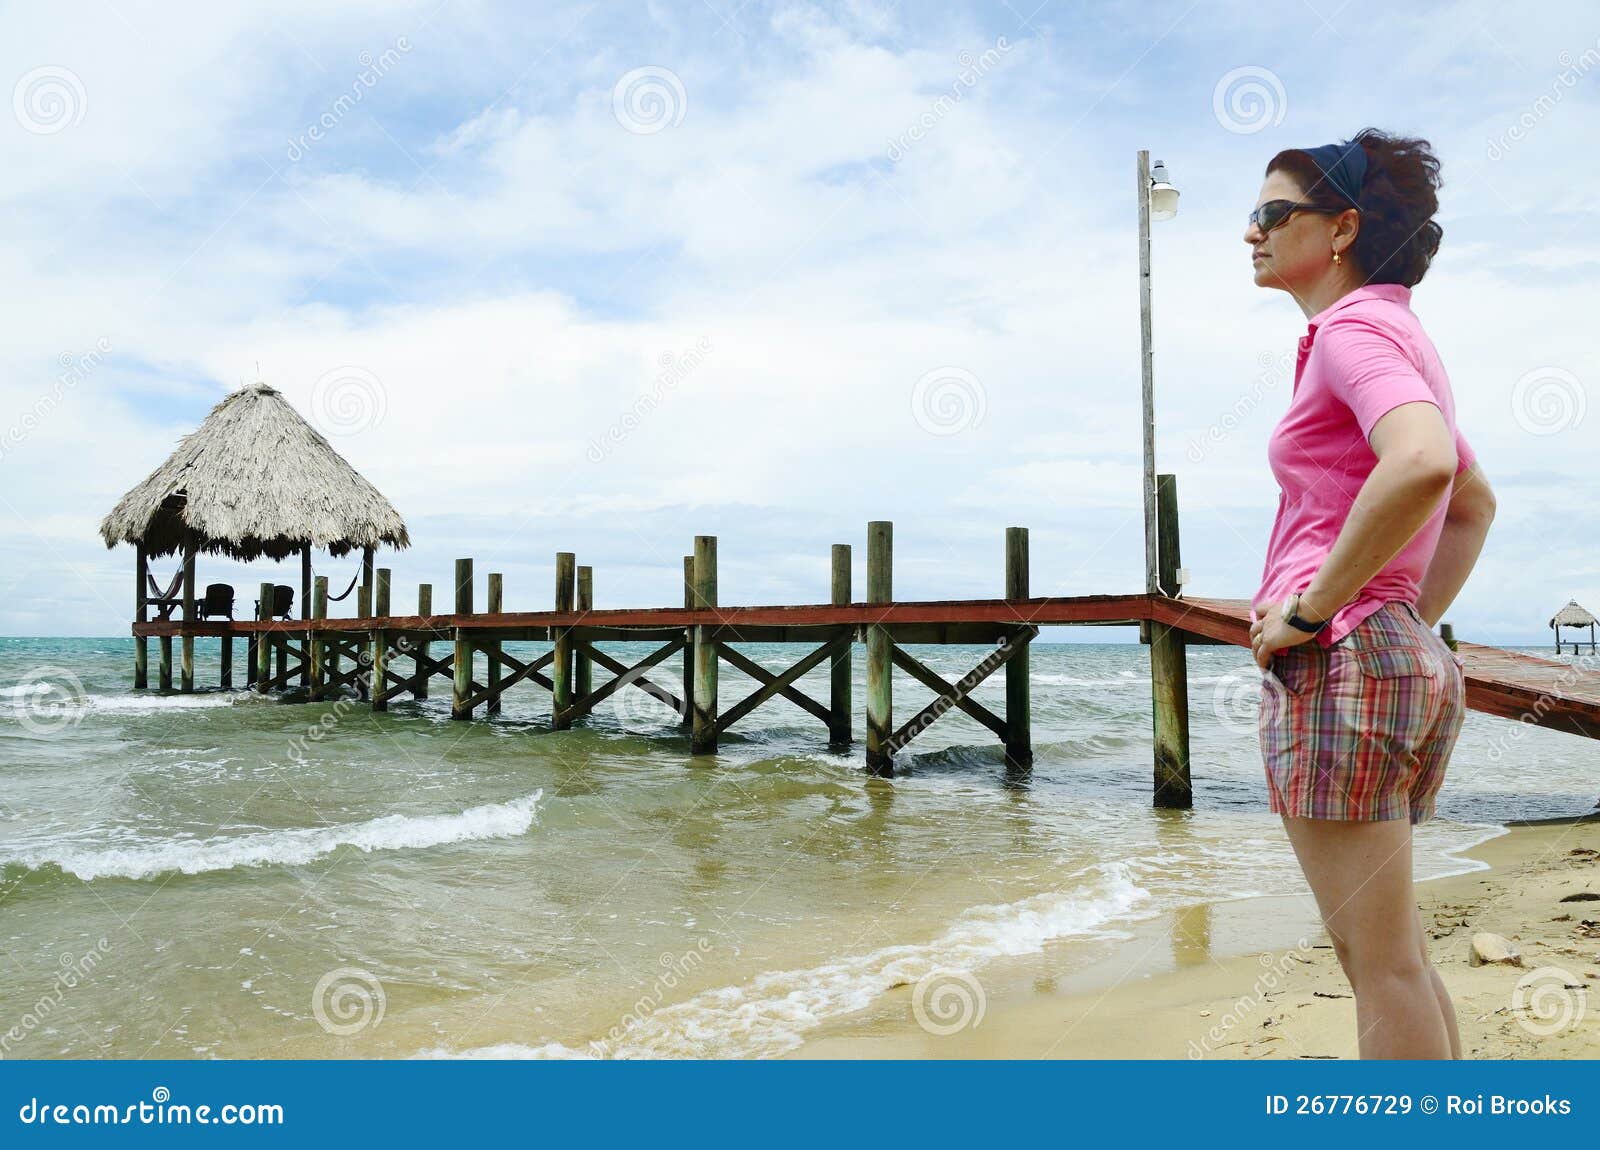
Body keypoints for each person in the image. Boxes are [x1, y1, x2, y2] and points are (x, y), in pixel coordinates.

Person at [1244, 128, 1496, 1059]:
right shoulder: (1399, 334)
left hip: (1345, 663)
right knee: (1395, 958)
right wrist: (1400, 618)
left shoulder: (1353, 331)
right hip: (1393, 657)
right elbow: (1473, 502)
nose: (1251, 233)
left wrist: (1318, 610)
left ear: (1342, 227)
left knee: (1377, 963)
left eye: (1273, 214)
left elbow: (1425, 466)